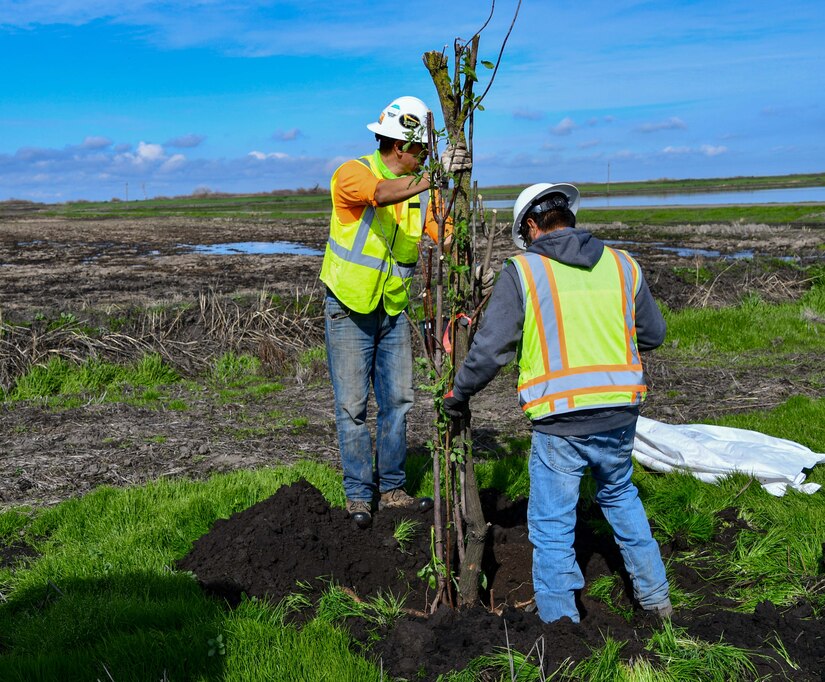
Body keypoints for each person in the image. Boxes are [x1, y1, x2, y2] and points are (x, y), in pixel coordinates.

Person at [443, 182, 672, 622]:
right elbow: (654, 335)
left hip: (559, 419)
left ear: (531, 225)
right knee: (621, 495)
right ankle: (657, 601)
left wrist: (460, 392)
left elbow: (491, 349)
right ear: (568, 216)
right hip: (620, 412)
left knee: (551, 526)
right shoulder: (622, 265)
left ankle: (560, 625)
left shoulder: (525, 271)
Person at [320, 96, 468, 529]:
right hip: (348, 308)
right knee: (351, 408)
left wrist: (452, 211)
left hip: (393, 309)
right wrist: (432, 175)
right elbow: (379, 195)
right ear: (401, 146)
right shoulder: (354, 172)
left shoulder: (423, 189)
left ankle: (393, 489)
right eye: (421, 149)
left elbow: (443, 236)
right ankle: (358, 495)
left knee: (399, 401)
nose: (423, 156)